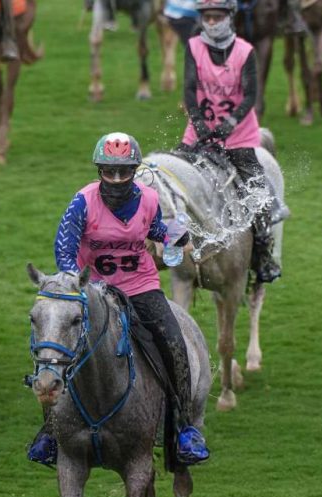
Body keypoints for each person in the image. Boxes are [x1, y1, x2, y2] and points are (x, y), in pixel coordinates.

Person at [27, 132, 210, 467]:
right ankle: (51, 432)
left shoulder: (150, 200)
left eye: (123, 171)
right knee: (53, 343)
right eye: (108, 171)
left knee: (173, 342)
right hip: (93, 289)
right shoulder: (82, 201)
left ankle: (183, 427)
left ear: (134, 170)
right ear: (99, 171)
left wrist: (176, 237)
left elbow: (157, 231)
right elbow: (64, 250)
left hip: (139, 286)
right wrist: (73, 282)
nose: (115, 178)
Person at [180, 0, 290, 283]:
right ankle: (165, 246)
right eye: (207, 17)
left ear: (230, 17)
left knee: (259, 194)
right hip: (199, 133)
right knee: (173, 185)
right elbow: (190, 90)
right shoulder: (193, 47)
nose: (212, 23)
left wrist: (228, 125)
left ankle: (263, 252)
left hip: (239, 135)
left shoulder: (245, 51)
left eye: (217, 17)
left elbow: (251, 94)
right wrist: (201, 125)